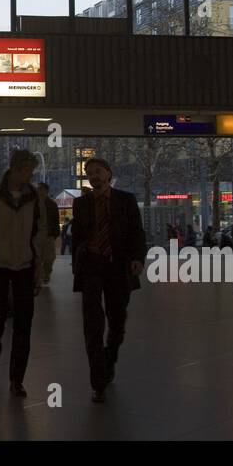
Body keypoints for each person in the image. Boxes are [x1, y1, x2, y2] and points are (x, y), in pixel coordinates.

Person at [0, 150, 46, 397]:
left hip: (24, 265)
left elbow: (40, 231)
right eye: (25, 171)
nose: (29, 175)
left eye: (31, 171)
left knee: (24, 324)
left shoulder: (33, 196)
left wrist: (39, 264)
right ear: (14, 168)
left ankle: (17, 379)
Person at [71, 157, 146, 404]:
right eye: (90, 173)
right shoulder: (81, 204)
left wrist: (137, 258)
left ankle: (109, 357)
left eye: (98, 172)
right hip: (92, 266)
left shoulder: (126, 200)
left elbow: (137, 231)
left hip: (118, 266)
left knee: (117, 321)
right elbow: (78, 237)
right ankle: (98, 382)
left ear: (109, 174)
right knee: (92, 325)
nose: (94, 177)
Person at [34, 183, 61, 293]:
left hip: (48, 235)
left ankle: (46, 273)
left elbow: (56, 219)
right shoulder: (33, 204)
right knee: (37, 258)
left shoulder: (52, 204)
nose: (40, 192)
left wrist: (55, 234)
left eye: (42, 190)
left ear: (46, 191)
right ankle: (39, 280)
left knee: (49, 258)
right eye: (39, 190)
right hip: (36, 235)